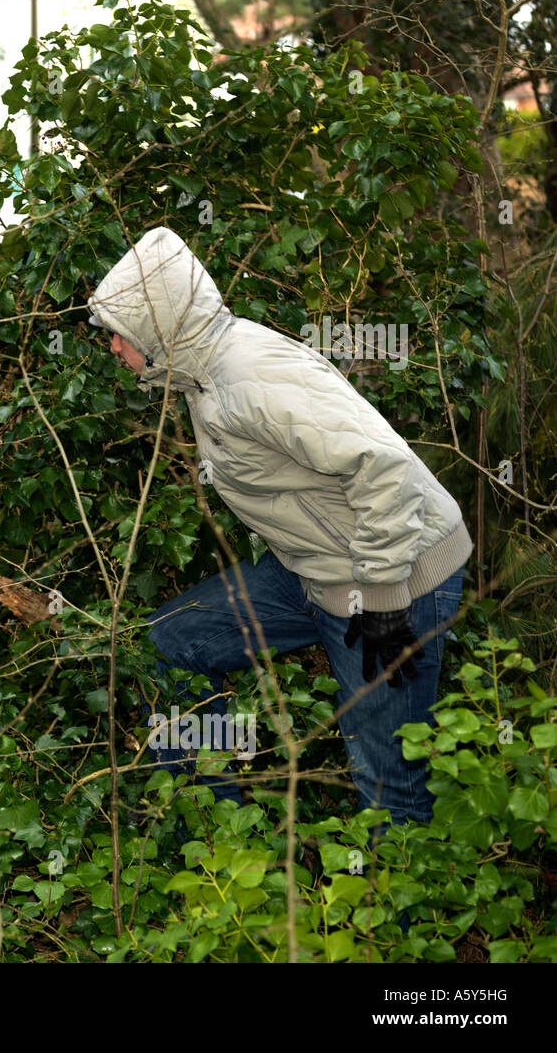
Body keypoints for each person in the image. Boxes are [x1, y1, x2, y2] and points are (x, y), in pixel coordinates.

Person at [88, 226, 470, 825]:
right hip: (313, 569)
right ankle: (222, 834)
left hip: (398, 573)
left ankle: (404, 906)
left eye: (117, 333)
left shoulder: (250, 376)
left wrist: (383, 604)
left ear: (155, 325)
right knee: (167, 642)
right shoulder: (202, 375)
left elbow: (383, 467)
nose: (112, 347)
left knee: (387, 785)